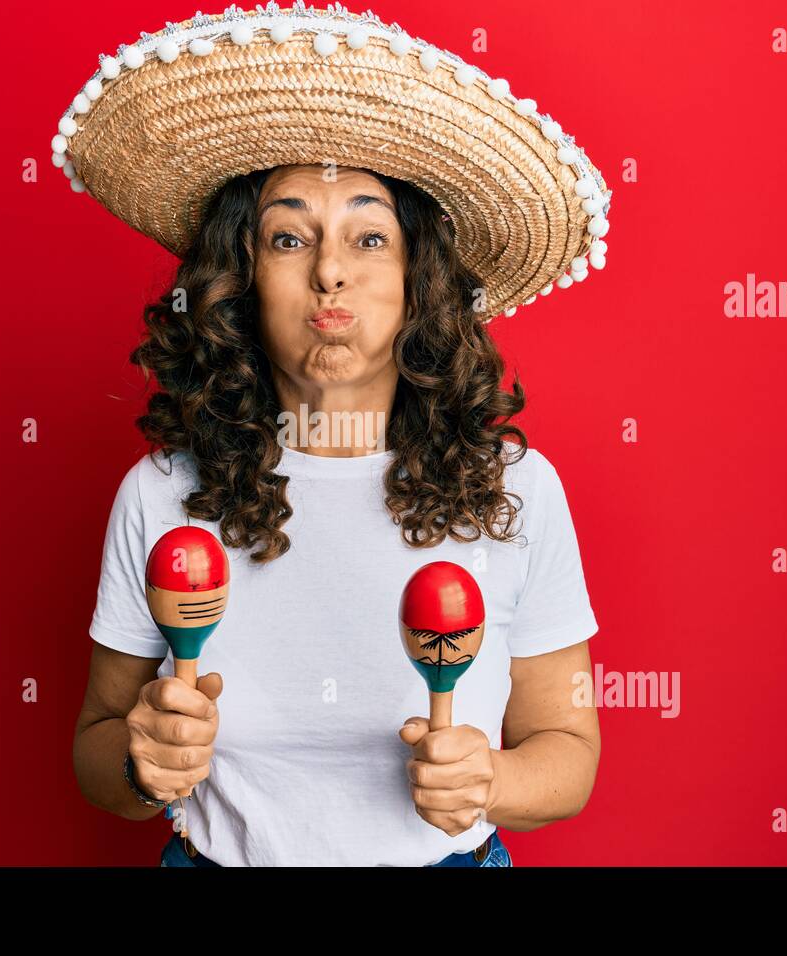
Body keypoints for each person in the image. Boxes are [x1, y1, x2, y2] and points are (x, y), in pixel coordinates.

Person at [59, 2, 613, 867]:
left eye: (369, 235)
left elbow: (567, 750)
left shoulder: (514, 490)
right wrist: (142, 760)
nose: (329, 268)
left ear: (416, 280)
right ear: (241, 279)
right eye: (288, 237)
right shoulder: (163, 492)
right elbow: (97, 751)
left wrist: (491, 783)